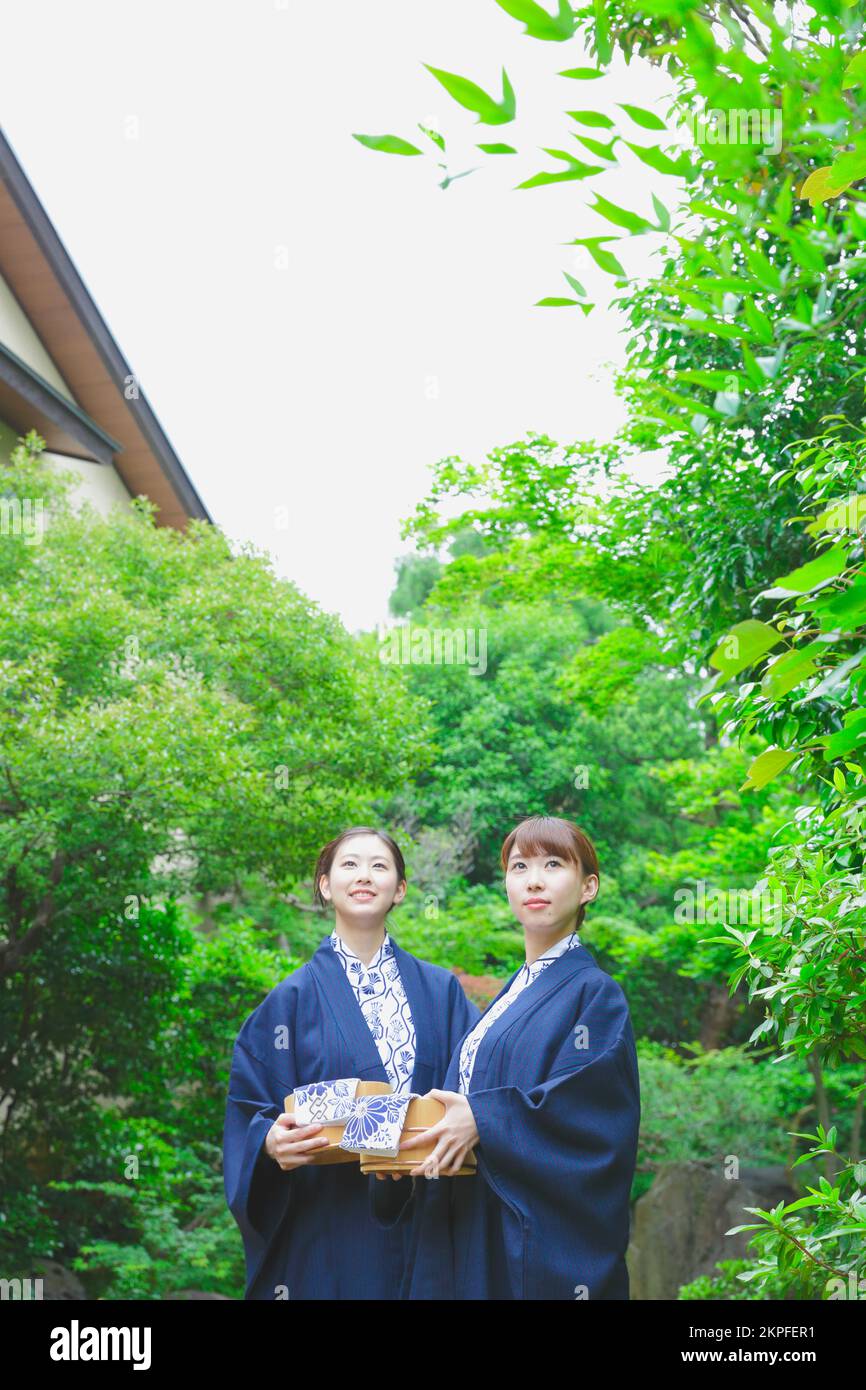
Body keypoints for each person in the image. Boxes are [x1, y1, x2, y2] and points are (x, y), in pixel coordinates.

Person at [372, 815, 641, 1300]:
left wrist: (485, 1119)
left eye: (554, 864)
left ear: (588, 887)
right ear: (507, 886)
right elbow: (460, 1110)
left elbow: (592, 1119)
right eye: (520, 867)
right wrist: (410, 1148)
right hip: (466, 1233)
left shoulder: (595, 996)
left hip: (525, 1254)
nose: (534, 879)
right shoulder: (506, 999)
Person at [222, 826, 479, 1299]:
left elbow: (478, 1086)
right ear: (324, 885)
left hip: (427, 1221)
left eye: (379, 866)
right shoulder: (290, 1001)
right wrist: (269, 1141)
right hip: (329, 1230)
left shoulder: (440, 992)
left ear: (399, 889)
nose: (364, 875)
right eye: (350, 864)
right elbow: (248, 1111)